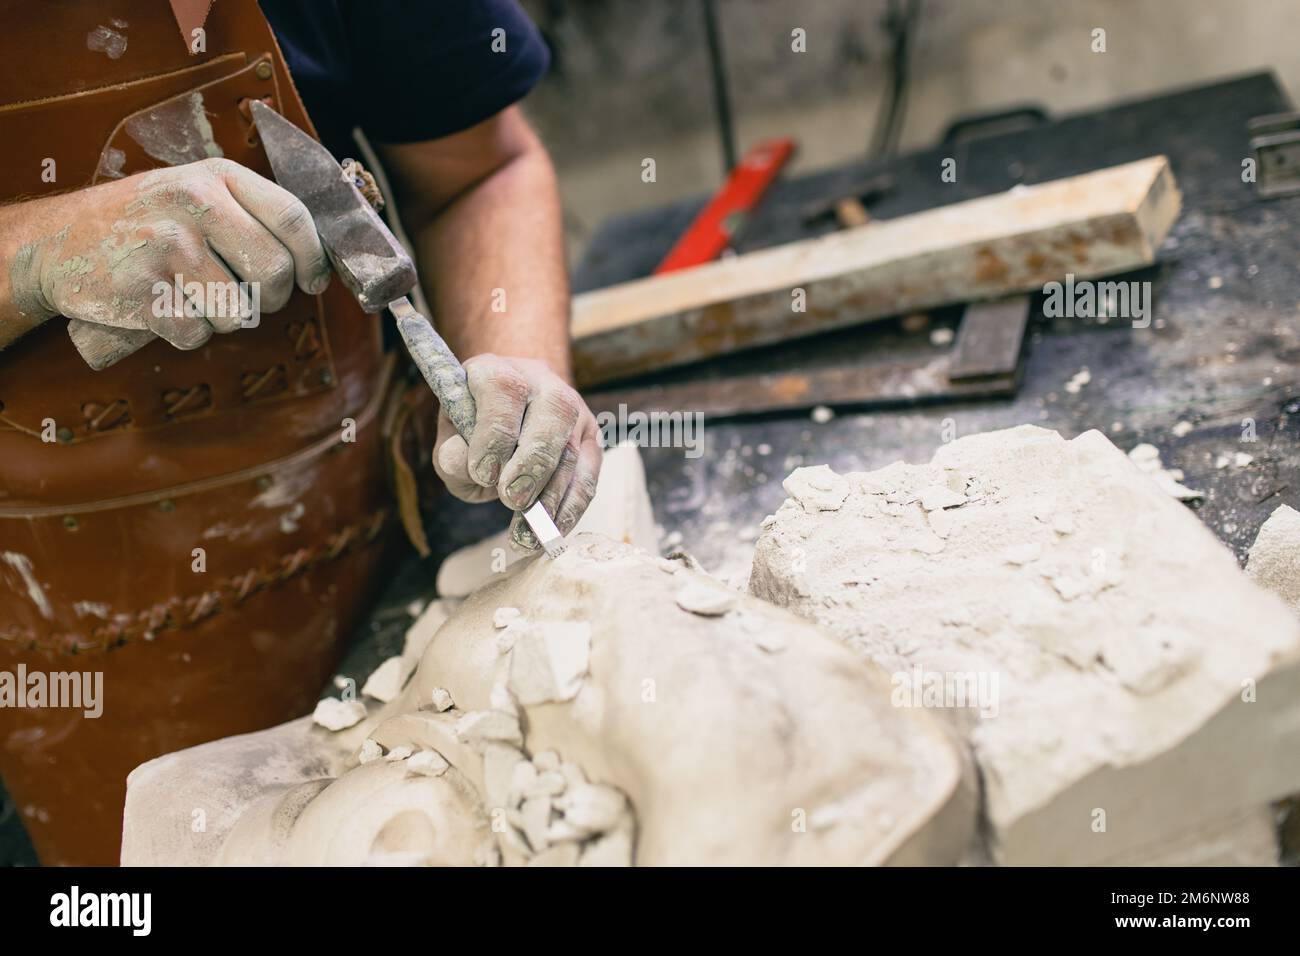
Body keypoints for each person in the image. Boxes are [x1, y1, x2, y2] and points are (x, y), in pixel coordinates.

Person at [0, 0, 598, 864]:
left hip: (371, 560)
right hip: (63, 648)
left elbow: (479, 169)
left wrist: (516, 359)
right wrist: (33, 253)